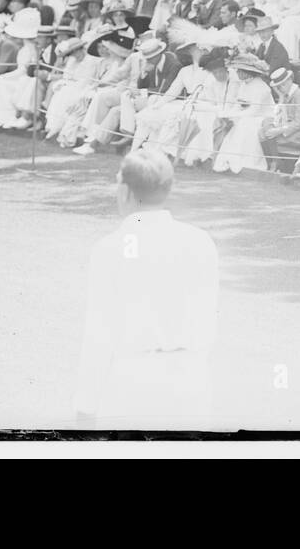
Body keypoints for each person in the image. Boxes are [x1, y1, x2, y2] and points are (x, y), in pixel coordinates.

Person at [73, 149, 220, 429]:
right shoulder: (200, 241)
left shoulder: (110, 249)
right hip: (191, 381)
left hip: (134, 383)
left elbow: (99, 333)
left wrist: (86, 405)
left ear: (125, 191)